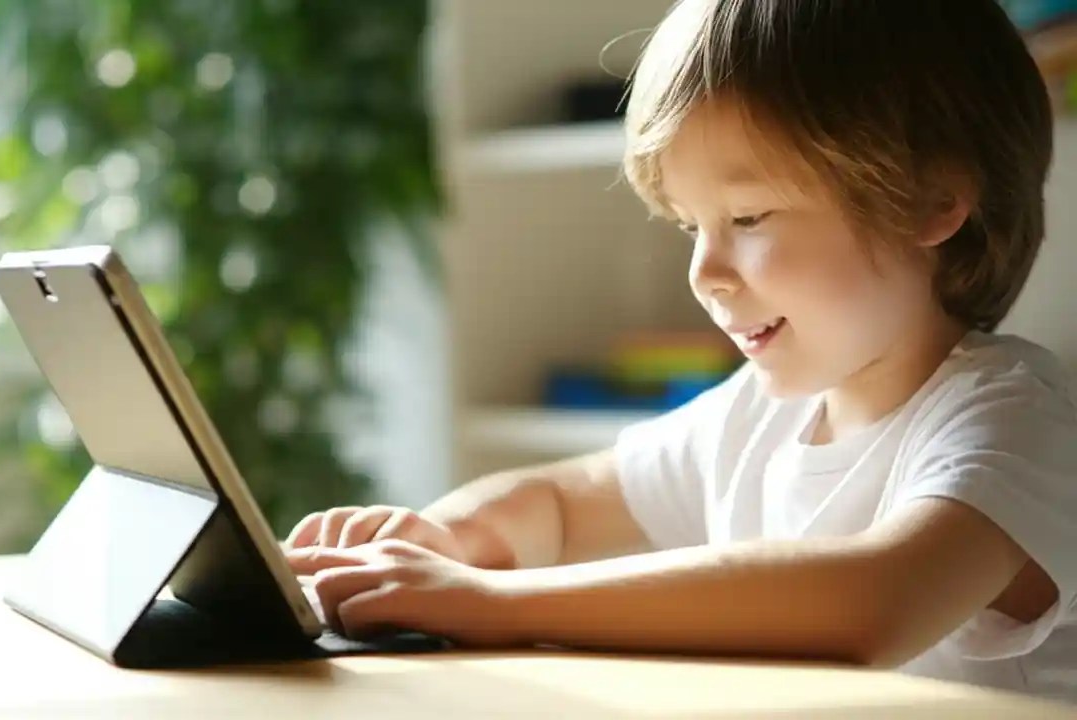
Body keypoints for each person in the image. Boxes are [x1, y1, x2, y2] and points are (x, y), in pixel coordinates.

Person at [285, 0, 1077, 702]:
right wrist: (441, 543)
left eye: (751, 217)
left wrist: (485, 602)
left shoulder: (1016, 416)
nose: (705, 274)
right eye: (691, 226)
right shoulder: (760, 415)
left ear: (931, 200)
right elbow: (562, 504)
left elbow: (872, 602)